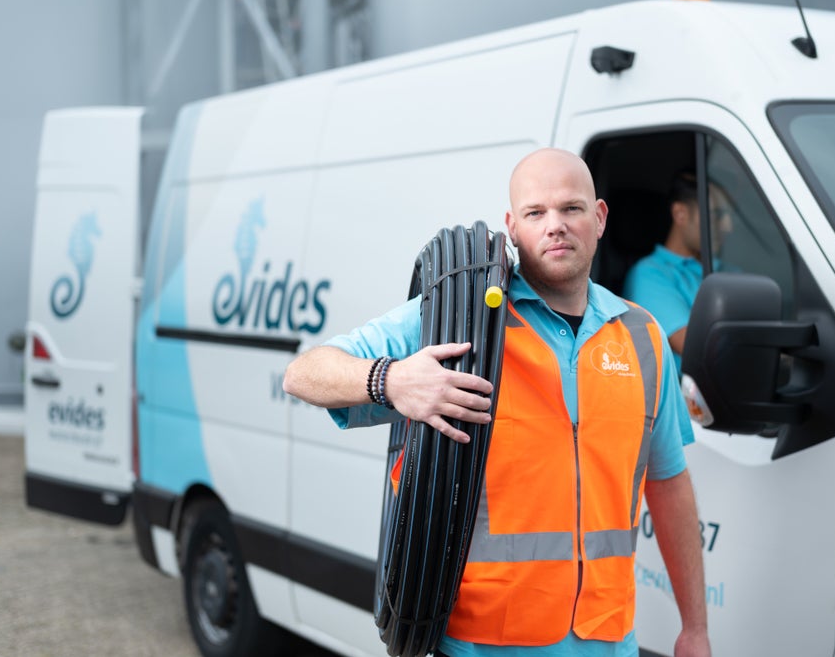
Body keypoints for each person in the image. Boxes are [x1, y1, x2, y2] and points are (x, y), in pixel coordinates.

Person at [283, 148, 711, 657]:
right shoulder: (460, 321)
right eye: (536, 213)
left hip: (607, 641)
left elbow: (668, 485)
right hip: (479, 644)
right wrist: (392, 380)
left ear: (599, 219)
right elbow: (303, 373)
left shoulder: (642, 337)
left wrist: (695, 627)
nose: (555, 226)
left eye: (571, 209)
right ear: (512, 227)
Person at [621, 172, 733, 376]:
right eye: (716, 215)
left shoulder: (727, 269)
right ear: (681, 214)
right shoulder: (650, 275)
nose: (728, 226)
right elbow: (697, 348)